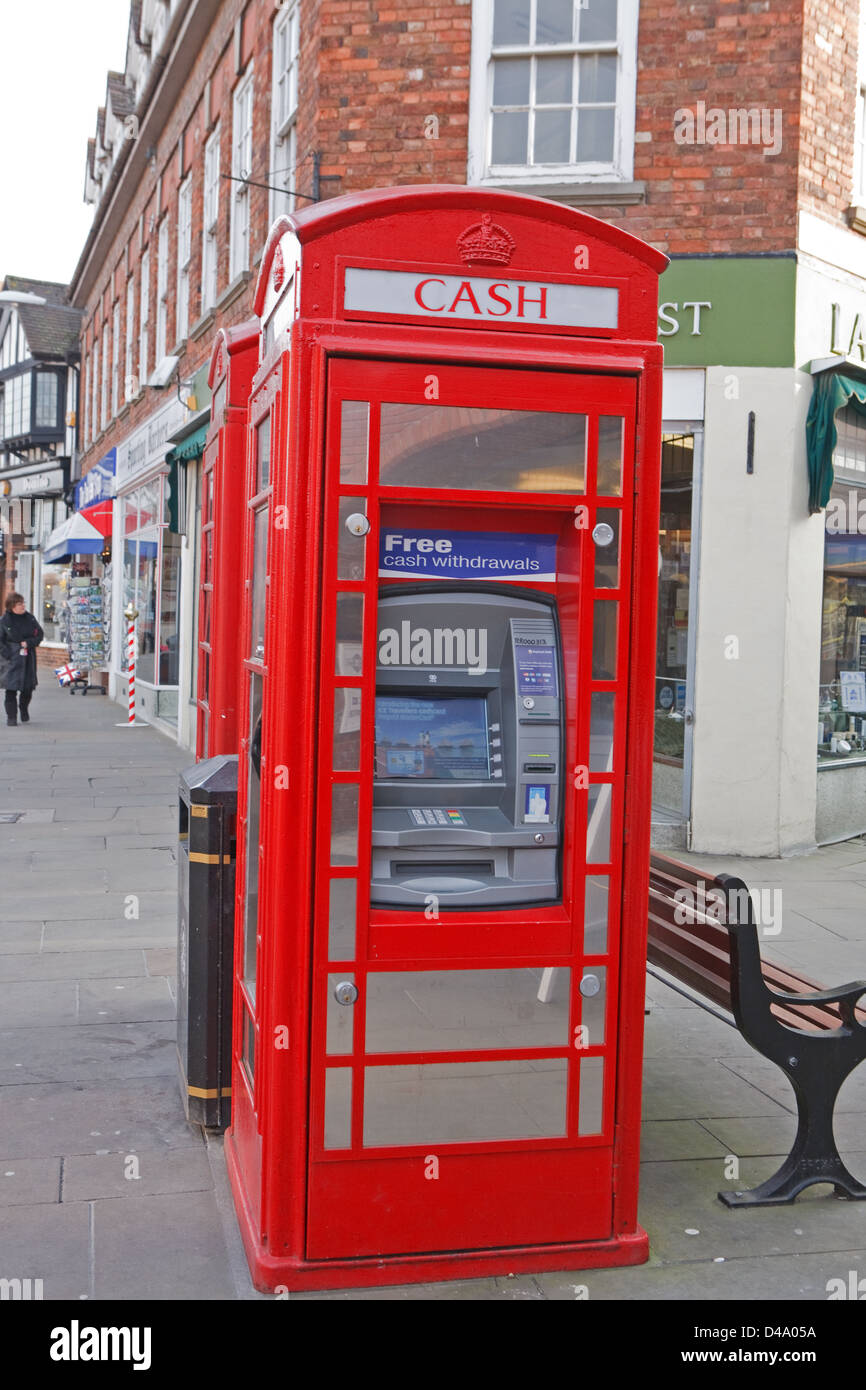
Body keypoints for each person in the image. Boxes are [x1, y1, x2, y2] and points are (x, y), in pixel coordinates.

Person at [0, 593, 44, 726]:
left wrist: (29, 643)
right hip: (11, 660)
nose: (23, 605)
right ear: (12, 606)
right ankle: (11, 717)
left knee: (27, 689)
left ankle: (23, 708)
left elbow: (39, 634)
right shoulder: (4, 621)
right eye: (20, 604)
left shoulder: (30, 618)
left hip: (28, 658)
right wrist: (9, 653)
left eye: (23, 603)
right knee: (11, 689)